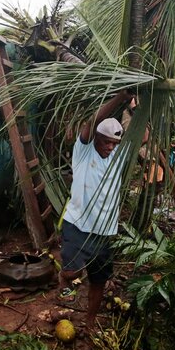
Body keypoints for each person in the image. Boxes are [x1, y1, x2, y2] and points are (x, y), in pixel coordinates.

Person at [59, 89, 134, 327]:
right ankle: (66, 283)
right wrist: (121, 97)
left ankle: (89, 321)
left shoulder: (118, 156)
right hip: (77, 224)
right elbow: (90, 124)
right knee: (72, 273)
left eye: (114, 143)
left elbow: (141, 135)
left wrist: (136, 107)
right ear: (96, 139)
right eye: (106, 142)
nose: (110, 147)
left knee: (99, 280)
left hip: (104, 232)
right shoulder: (83, 151)